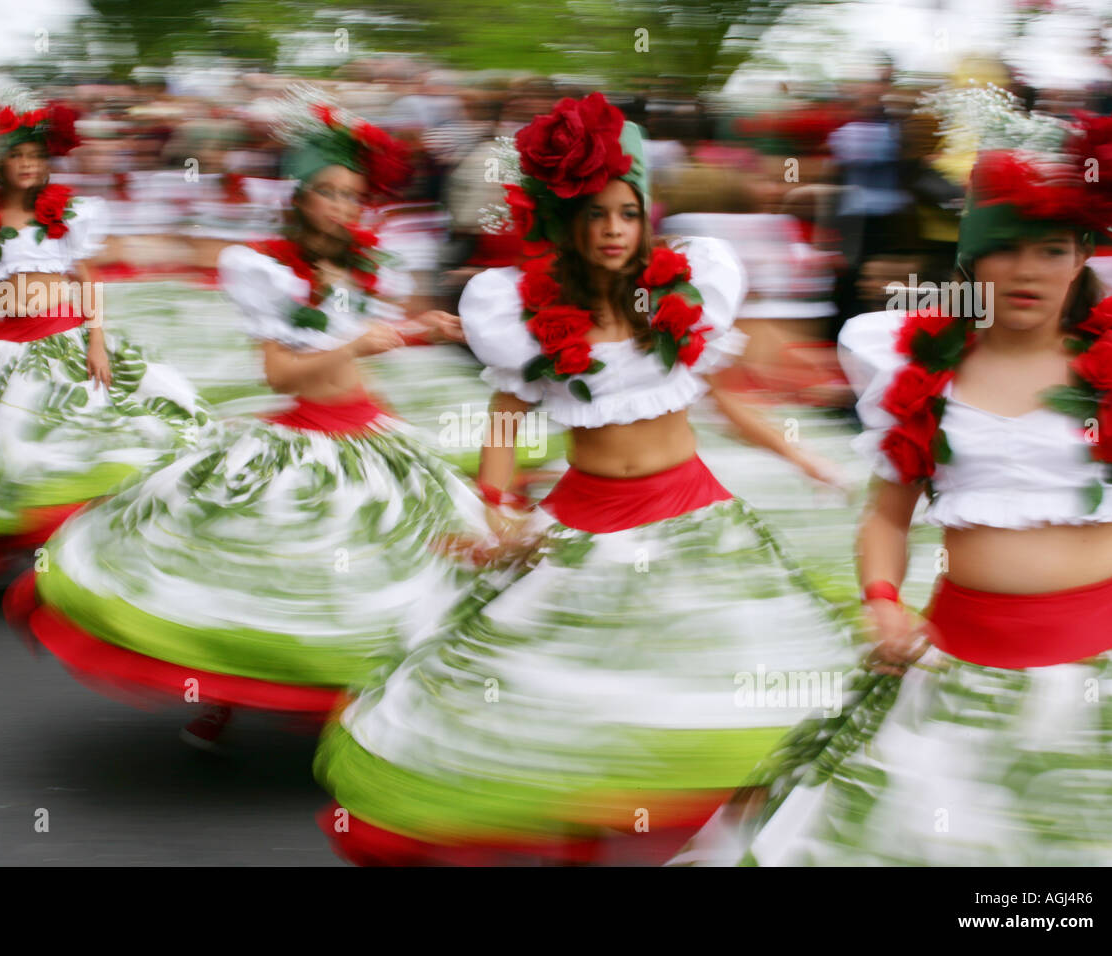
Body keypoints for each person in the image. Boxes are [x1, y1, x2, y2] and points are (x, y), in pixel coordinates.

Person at [314, 92, 862, 866]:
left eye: (628, 214)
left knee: (728, 684)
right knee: (570, 695)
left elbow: (729, 402)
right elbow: (504, 417)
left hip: (690, 514)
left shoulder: (682, 299)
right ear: (571, 224)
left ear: (647, 221)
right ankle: (583, 846)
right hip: (584, 519)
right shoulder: (527, 315)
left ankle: (726, 842)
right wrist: (496, 509)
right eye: (599, 214)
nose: (613, 230)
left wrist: (801, 456)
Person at [671, 99, 1112, 866]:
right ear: (971, 259)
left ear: (1082, 256)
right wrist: (883, 604)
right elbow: (888, 519)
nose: (1027, 271)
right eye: (1008, 249)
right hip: (962, 655)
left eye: (1052, 250)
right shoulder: (914, 371)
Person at [5, 94, 497, 749]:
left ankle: (363, 703)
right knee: (259, 567)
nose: (342, 208)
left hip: (370, 431)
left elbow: (364, 346)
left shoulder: (362, 266)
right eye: (327, 193)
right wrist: (359, 345)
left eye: (352, 196)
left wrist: (420, 330)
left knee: (397, 570)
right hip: (303, 437)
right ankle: (222, 701)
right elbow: (282, 375)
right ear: (300, 197)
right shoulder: (265, 268)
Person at [0, 101, 207, 575]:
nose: (29, 164)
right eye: (19, 155)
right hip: (1, 345)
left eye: (37, 157)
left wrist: (97, 342)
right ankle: (17, 537)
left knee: (78, 439)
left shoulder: (67, 213)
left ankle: (85, 538)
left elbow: (89, 280)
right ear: (1, 162)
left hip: (60, 341)